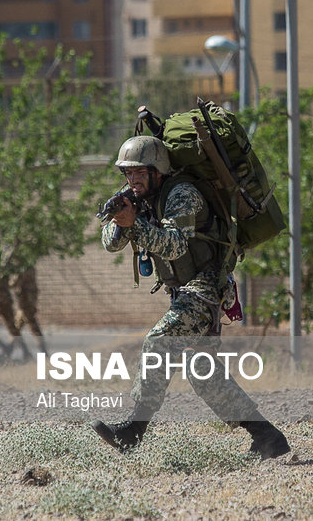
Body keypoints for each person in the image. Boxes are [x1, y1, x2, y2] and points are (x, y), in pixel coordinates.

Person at [95, 136, 290, 459]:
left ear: (157, 170)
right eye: (127, 174)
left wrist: (136, 226)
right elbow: (110, 243)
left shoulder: (182, 194)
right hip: (184, 293)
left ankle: (133, 430)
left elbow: (175, 245)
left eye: (139, 172)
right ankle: (268, 437)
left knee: (158, 341)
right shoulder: (138, 198)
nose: (132, 180)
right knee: (204, 373)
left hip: (205, 288)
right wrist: (120, 223)